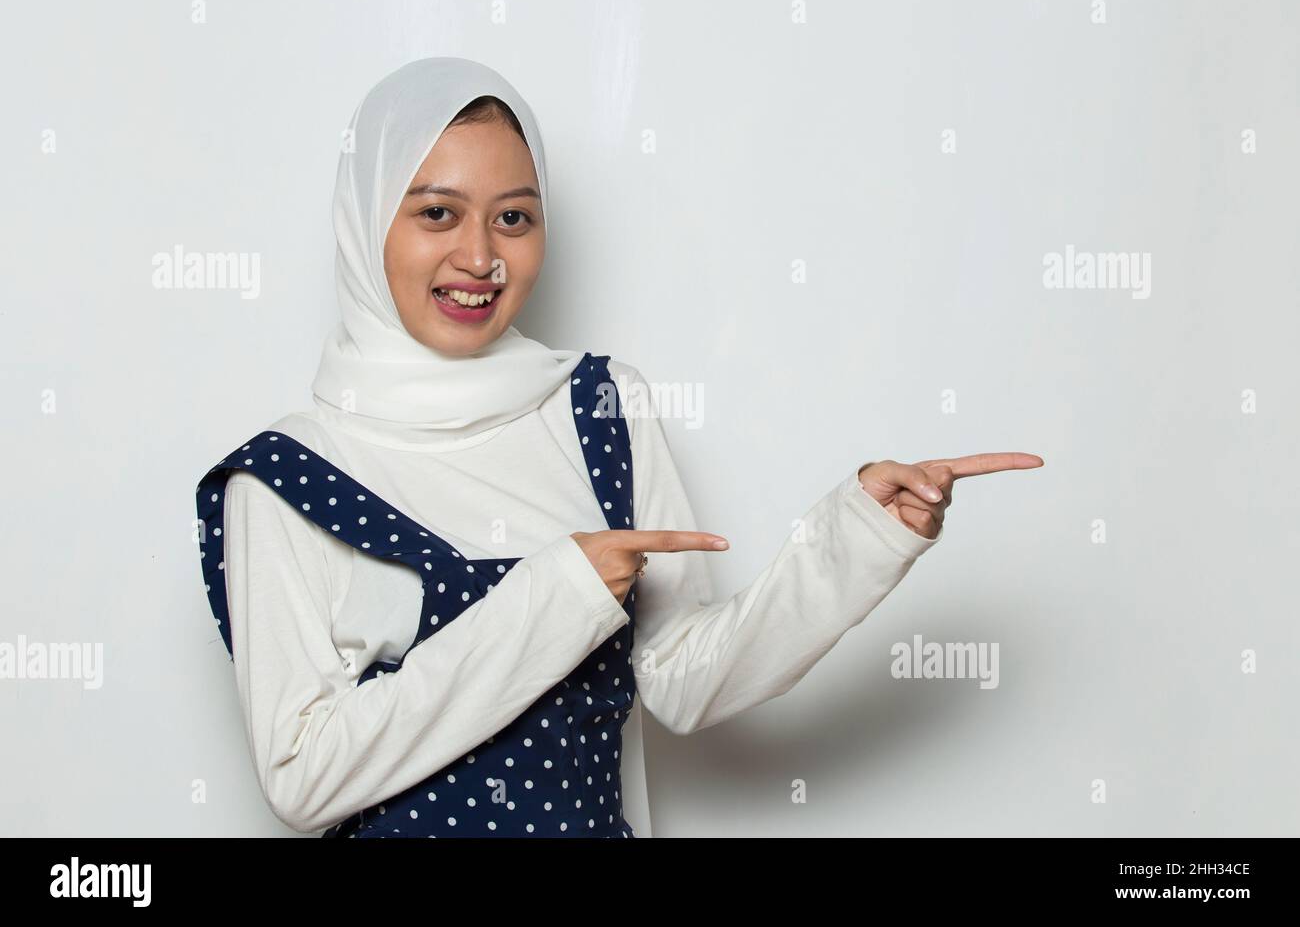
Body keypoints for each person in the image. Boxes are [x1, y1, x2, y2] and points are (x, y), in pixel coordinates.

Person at [194, 56, 1042, 839]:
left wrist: (859, 538)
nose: (480, 256)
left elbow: (680, 678)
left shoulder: (601, 408)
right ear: (366, 218)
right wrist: (556, 597)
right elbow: (299, 777)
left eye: (514, 217)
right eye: (436, 213)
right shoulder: (285, 477)